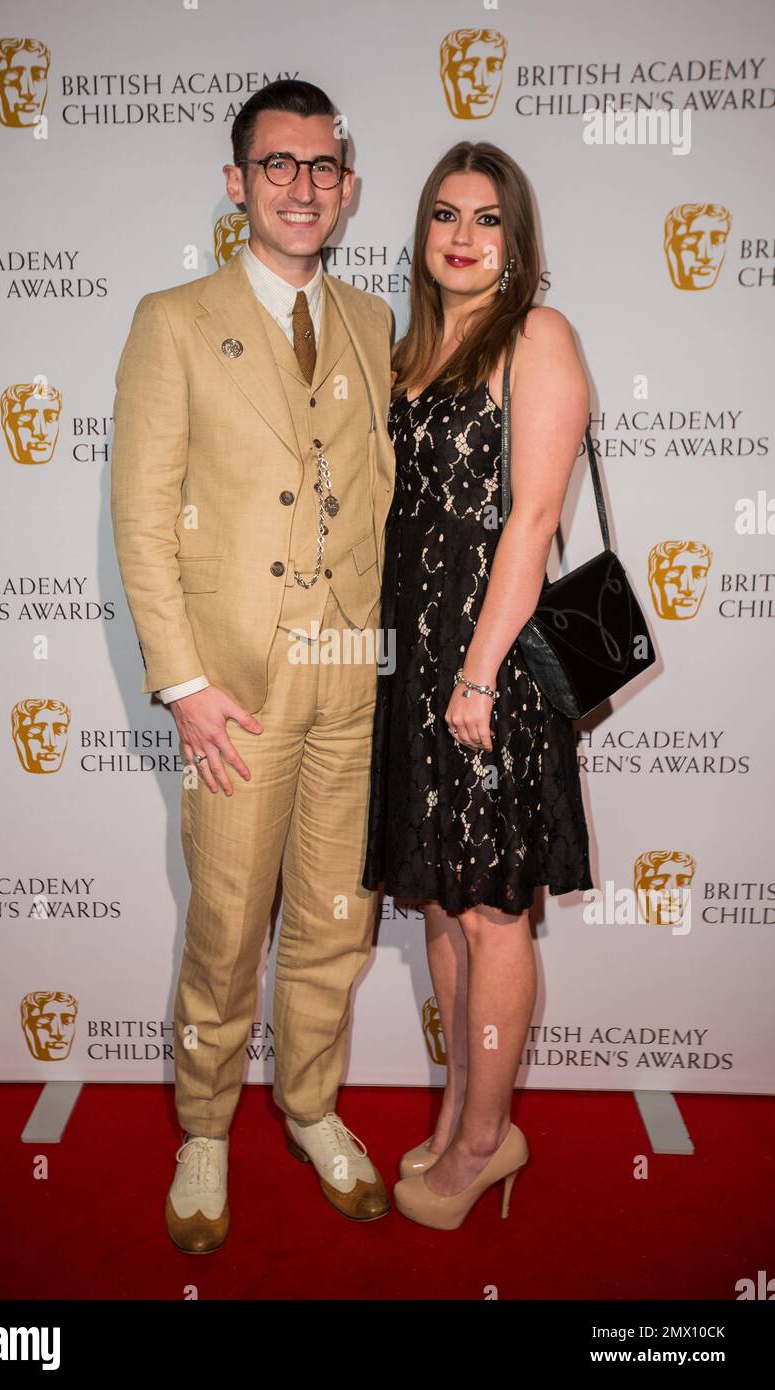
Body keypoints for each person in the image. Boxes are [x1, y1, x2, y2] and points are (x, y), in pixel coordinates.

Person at [110, 80, 396, 1253]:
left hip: (353, 681)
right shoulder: (172, 319)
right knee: (227, 925)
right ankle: (206, 1127)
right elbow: (139, 518)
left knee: (337, 919)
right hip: (234, 692)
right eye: (277, 165)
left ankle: (312, 1105)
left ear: (347, 187)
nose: (301, 186)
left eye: (321, 167)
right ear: (236, 184)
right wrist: (182, 686)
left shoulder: (376, 322)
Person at [362, 140, 594, 1231]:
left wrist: (476, 675)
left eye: (486, 217)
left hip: (482, 668)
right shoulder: (408, 353)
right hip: (416, 671)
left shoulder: (534, 337)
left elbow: (533, 517)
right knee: (444, 915)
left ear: (515, 240)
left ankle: (487, 1140)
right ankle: (465, 1105)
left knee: (494, 916)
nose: (461, 234)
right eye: (445, 214)